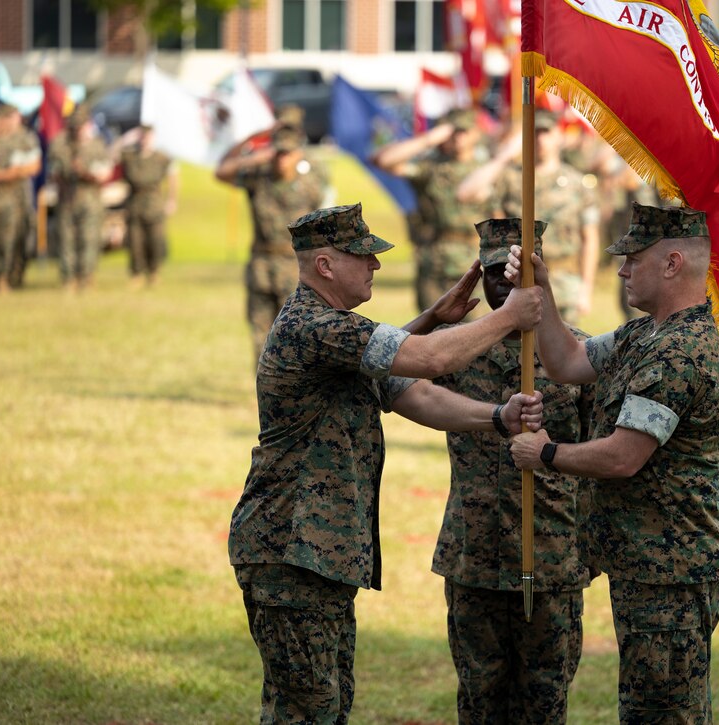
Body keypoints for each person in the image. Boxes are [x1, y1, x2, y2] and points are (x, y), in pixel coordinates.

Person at [228, 202, 545, 724]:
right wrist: (508, 316)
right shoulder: (315, 326)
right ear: (325, 265)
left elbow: (413, 392)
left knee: (326, 703)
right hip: (290, 549)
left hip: (315, 552)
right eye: (363, 256)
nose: (375, 266)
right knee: (305, 711)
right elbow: (431, 362)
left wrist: (496, 416)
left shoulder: (332, 330)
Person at [507, 203, 719, 724]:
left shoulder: (678, 352)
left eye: (632, 259)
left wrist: (544, 454)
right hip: (647, 558)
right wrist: (539, 291)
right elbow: (566, 362)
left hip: (671, 565)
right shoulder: (644, 336)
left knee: (662, 712)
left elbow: (624, 456)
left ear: (673, 264)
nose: (622, 269)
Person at [423, 218, 596, 722]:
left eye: (517, 272)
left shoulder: (576, 355)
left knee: (545, 700)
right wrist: (435, 317)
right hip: (474, 552)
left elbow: (597, 451)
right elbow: (389, 363)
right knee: (481, 700)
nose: (505, 283)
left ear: (539, 277)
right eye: (494, 272)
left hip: (552, 553)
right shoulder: (455, 349)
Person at [458, 111, 601, 323]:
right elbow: (466, 193)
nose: (540, 140)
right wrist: (505, 155)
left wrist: (586, 289)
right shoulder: (510, 178)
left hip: (562, 284)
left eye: (546, 133)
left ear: (558, 136)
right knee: (520, 354)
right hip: (518, 283)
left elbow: (589, 238)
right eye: (534, 133)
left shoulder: (576, 183)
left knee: (561, 353)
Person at [216, 125, 327, 363]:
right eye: (277, 153)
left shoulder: (311, 185)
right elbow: (221, 172)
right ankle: (265, 393)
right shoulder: (258, 179)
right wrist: (251, 141)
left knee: (297, 336)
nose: (281, 160)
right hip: (261, 268)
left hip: (297, 269)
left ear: (298, 154)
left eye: (287, 153)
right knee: (261, 337)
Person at [372, 108, 493, 312]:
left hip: (476, 261)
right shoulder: (431, 168)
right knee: (430, 332)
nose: (458, 138)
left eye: (463, 131)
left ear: (476, 133)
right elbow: (385, 161)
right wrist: (428, 139)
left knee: (478, 334)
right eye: (453, 131)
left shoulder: (485, 169)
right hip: (435, 260)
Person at [47, 104, 112, 292]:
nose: (77, 129)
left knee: (89, 239)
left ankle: (86, 276)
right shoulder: (60, 144)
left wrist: (85, 173)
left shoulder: (96, 144)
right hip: (67, 197)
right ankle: (68, 278)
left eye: (81, 125)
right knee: (66, 239)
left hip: (89, 198)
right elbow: (53, 171)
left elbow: (104, 174)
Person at [0, 103, 41, 293]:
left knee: (15, 240)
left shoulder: (23, 138)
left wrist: (3, 174)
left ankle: (10, 277)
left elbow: (32, 166)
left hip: (17, 199)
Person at [120, 125, 177, 288]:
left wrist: (172, 200)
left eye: (147, 136)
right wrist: (124, 139)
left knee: (156, 240)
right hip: (135, 202)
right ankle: (136, 274)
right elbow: (110, 155)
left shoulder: (161, 157)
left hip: (154, 202)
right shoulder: (130, 155)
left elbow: (173, 176)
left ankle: (154, 272)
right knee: (135, 241)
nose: (144, 140)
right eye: (141, 136)